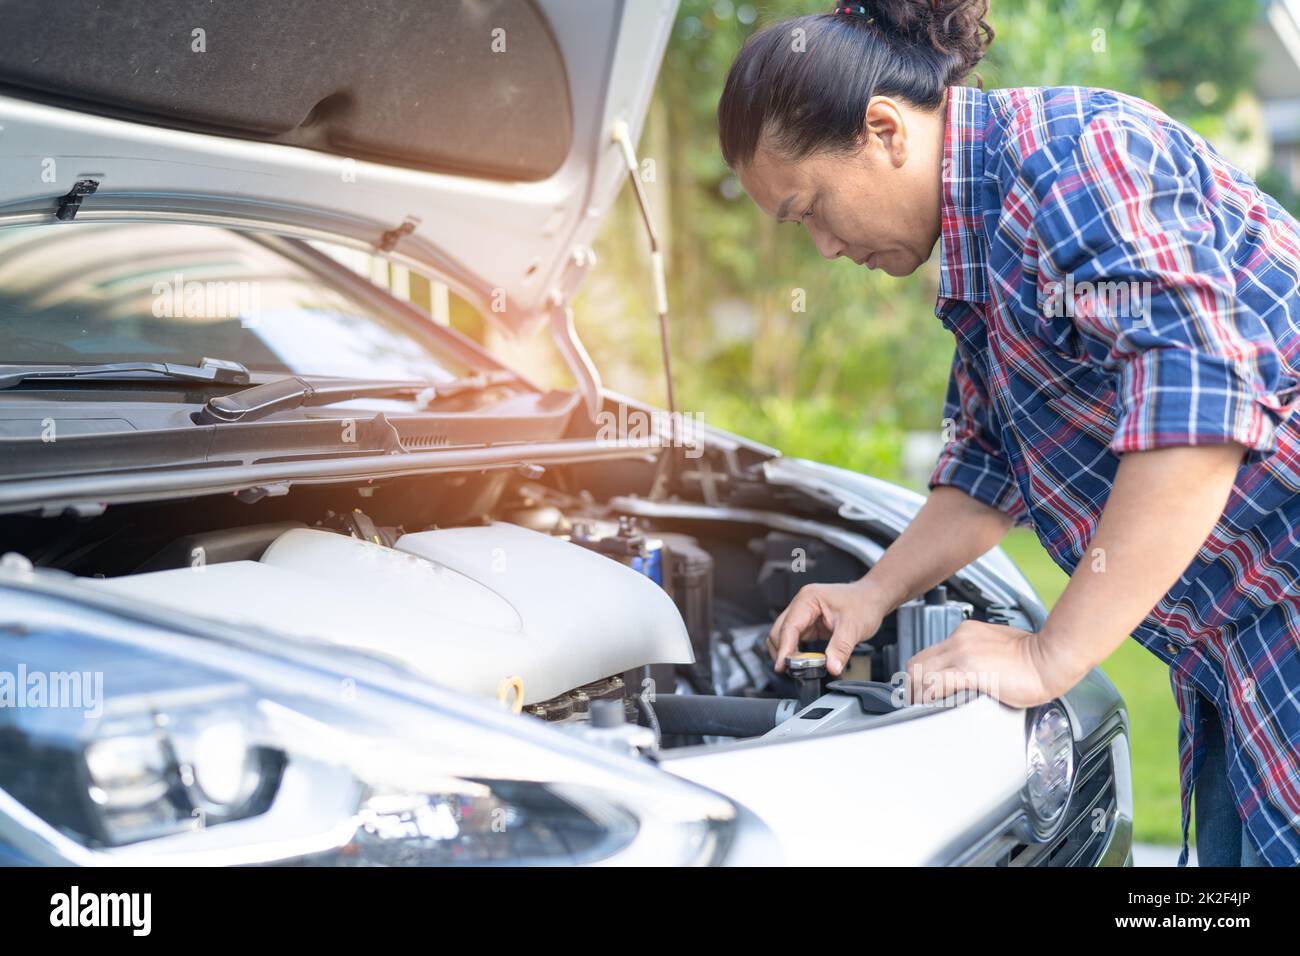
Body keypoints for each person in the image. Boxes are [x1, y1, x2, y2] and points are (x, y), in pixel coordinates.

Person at [717, 0, 1300, 866]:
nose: (825, 249)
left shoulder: (1074, 163)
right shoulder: (983, 245)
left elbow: (1199, 415)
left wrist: (1047, 656)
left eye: (809, 209)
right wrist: (870, 594)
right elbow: (989, 466)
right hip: (1236, 653)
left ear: (883, 130)